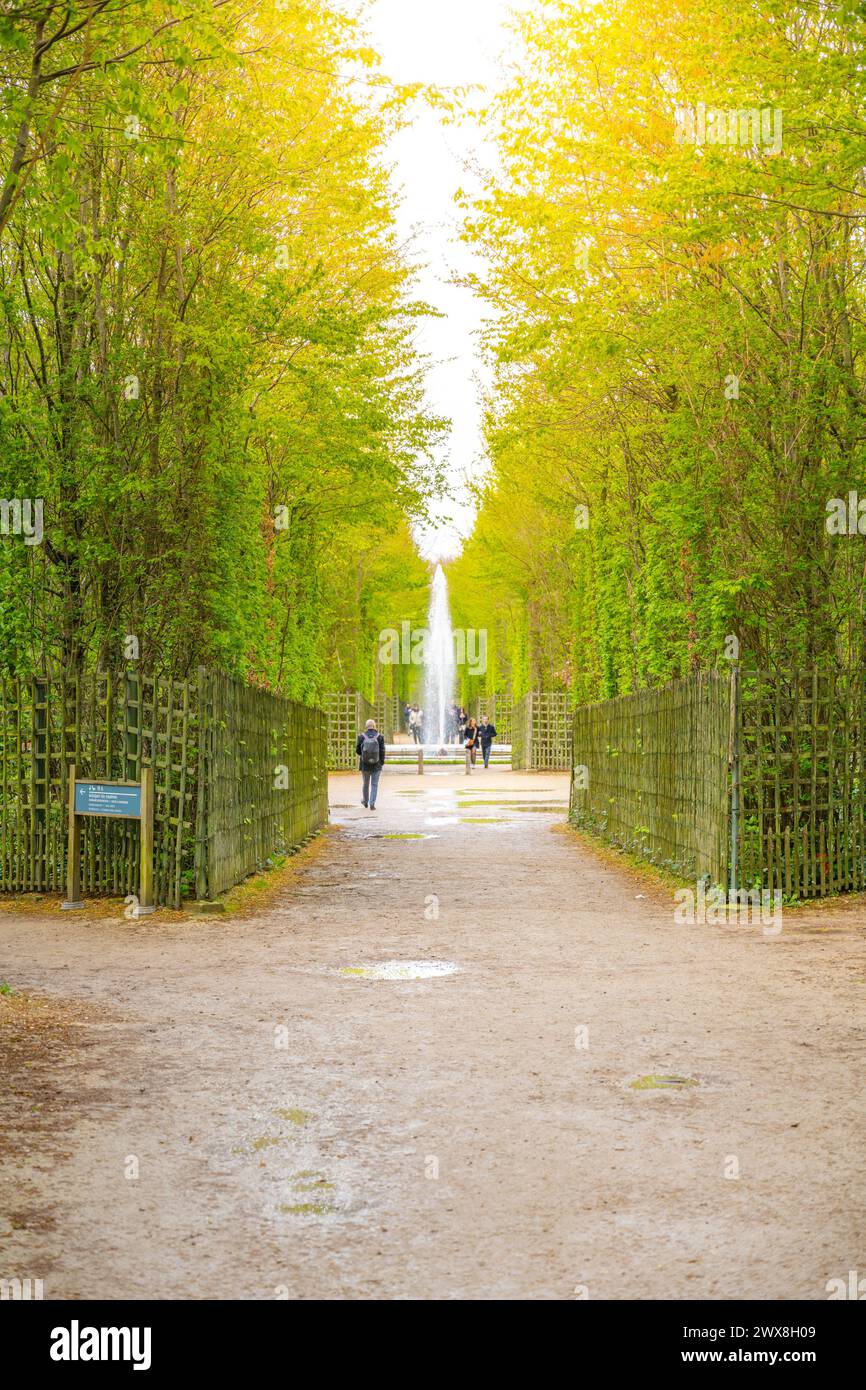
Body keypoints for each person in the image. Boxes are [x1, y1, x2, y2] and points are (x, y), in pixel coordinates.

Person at [356, 718, 386, 810]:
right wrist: (381, 762)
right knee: (374, 784)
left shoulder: (361, 737)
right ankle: (372, 803)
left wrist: (365, 756)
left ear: (366, 726)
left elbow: (357, 751)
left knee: (365, 784)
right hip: (376, 765)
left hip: (365, 765)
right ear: (374, 726)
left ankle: (365, 801)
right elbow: (382, 751)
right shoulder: (380, 737)